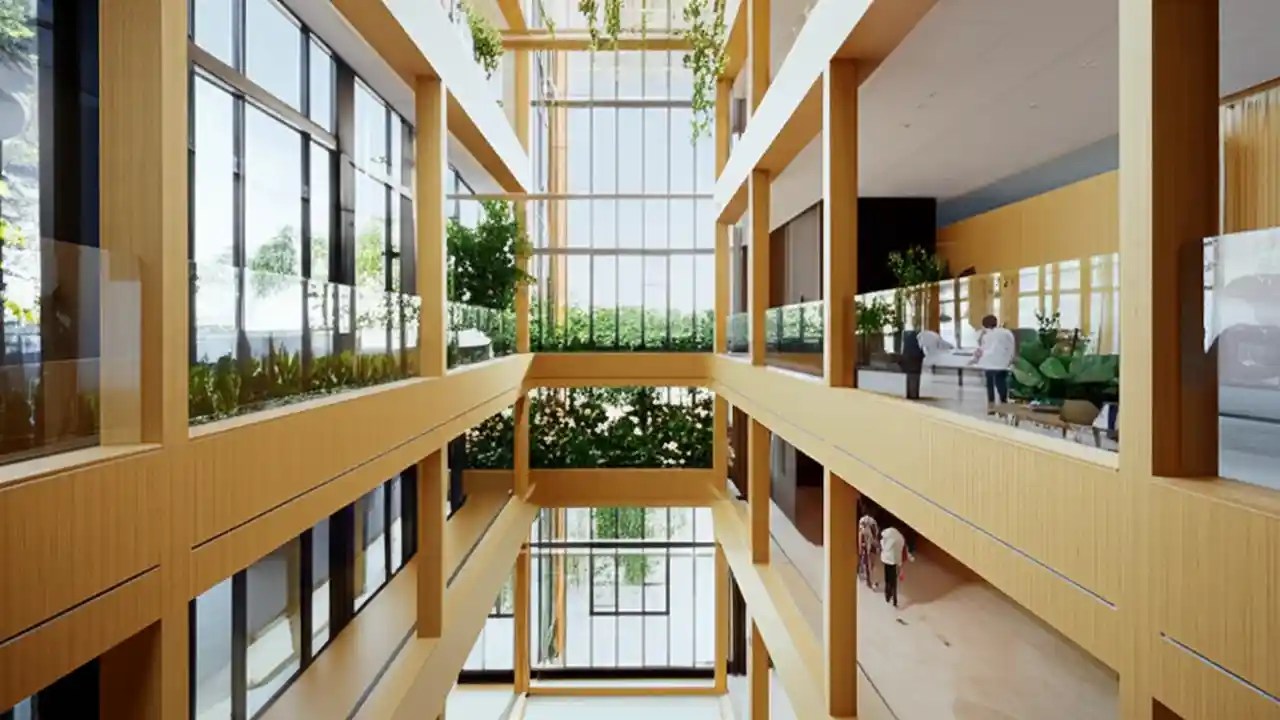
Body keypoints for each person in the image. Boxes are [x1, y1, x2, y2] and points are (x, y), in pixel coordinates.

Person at [971, 314, 1016, 410]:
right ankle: (1003, 402)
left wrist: (977, 355)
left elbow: (985, 350)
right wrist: (1010, 359)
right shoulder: (1007, 332)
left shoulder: (986, 335)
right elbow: (1011, 348)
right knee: (1001, 382)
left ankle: (991, 404)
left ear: (984, 325)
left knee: (990, 384)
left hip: (989, 364)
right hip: (1004, 363)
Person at [880, 525, 908, 607]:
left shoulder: (886, 535)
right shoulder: (900, 538)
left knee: (887, 579)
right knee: (893, 581)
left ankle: (887, 595)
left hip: (886, 560)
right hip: (894, 561)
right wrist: (900, 565)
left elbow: (883, 544)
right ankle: (894, 600)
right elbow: (901, 551)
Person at [857, 515, 880, 590]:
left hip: (869, 546)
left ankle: (868, 580)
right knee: (868, 564)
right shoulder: (869, 526)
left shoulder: (867, 525)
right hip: (867, 547)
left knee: (868, 564)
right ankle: (868, 580)